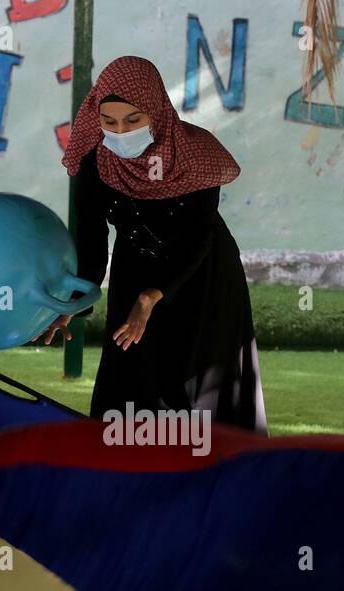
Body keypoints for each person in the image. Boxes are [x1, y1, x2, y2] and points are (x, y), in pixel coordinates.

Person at [42, 56, 266, 432]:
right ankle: (129, 478)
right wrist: (75, 303)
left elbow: (199, 237)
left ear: (156, 111)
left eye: (133, 120)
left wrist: (152, 297)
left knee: (201, 381)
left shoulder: (195, 156)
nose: (120, 131)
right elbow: (92, 241)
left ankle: (211, 476)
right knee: (129, 377)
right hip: (136, 264)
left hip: (202, 273)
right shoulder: (95, 163)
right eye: (109, 121)